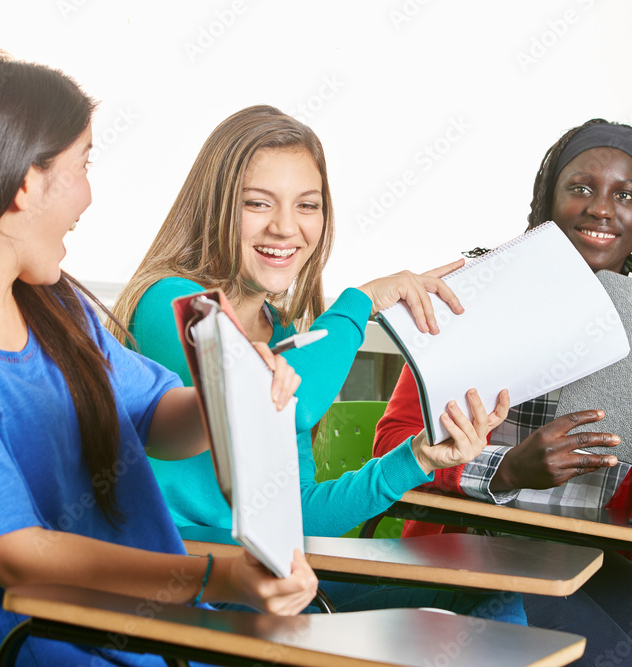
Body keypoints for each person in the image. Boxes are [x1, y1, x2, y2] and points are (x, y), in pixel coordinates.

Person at [0, 51, 319, 667]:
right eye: (83, 164)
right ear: (25, 182)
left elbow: (155, 417)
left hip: (163, 636)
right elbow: (18, 556)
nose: (88, 195)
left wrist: (227, 392)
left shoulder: (54, 303)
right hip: (56, 648)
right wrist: (219, 577)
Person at [110, 104, 525, 624]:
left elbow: (299, 516)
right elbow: (285, 401)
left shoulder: (284, 336)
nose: (286, 227)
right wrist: (361, 302)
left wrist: (418, 457)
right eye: (257, 203)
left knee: (487, 597)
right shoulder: (170, 301)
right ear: (214, 208)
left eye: (307, 205)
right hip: (187, 585)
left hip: (270, 581)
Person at [374, 119, 632, 666]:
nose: (601, 208)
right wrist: (506, 470)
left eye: (626, 195)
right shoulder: (472, 296)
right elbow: (392, 444)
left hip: (587, 560)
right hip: (469, 551)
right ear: (548, 203)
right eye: (580, 188)